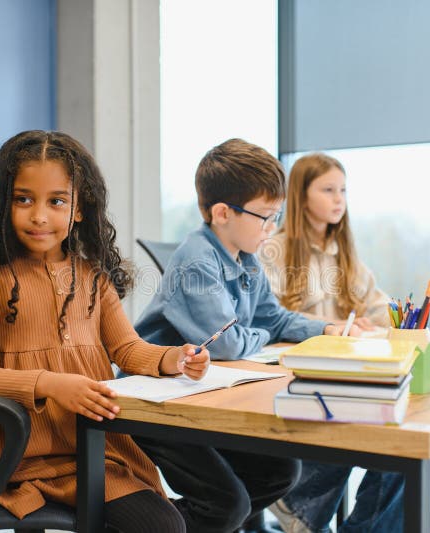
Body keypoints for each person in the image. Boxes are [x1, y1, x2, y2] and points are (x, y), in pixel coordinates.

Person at [0, 130, 210, 533]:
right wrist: (52, 385)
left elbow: (127, 349)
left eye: (56, 201)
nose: (39, 215)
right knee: (162, 526)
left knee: (165, 521)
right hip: (14, 456)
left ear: (79, 209)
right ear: (1, 205)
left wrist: (173, 359)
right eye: (23, 199)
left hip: (91, 446)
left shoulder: (93, 277)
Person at [132, 138, 354, 533]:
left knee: (281, 472)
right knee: (227, 504)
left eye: (276, 216)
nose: (272, 228)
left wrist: (326, 328)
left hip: (205, 392)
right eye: (265, 217)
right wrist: (263, 334)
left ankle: (184, 522)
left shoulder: (247, 258)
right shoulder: (196, 260)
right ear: (222, 213)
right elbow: (227, 343)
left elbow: (275, 319)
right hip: (154, 398)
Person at [259, 152, 403, 533]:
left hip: (343, 374)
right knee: (379, 437)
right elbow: (268, 318)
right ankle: (300, 505)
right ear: (301, 196)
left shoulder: (345, 255)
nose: (339, 199)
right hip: (294, 376)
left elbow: (378, 304)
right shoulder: (273, 249)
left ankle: (333, 519)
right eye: (328, 189)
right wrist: (333, 325)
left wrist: (393, 323)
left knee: (401, 445)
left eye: (343, 190)